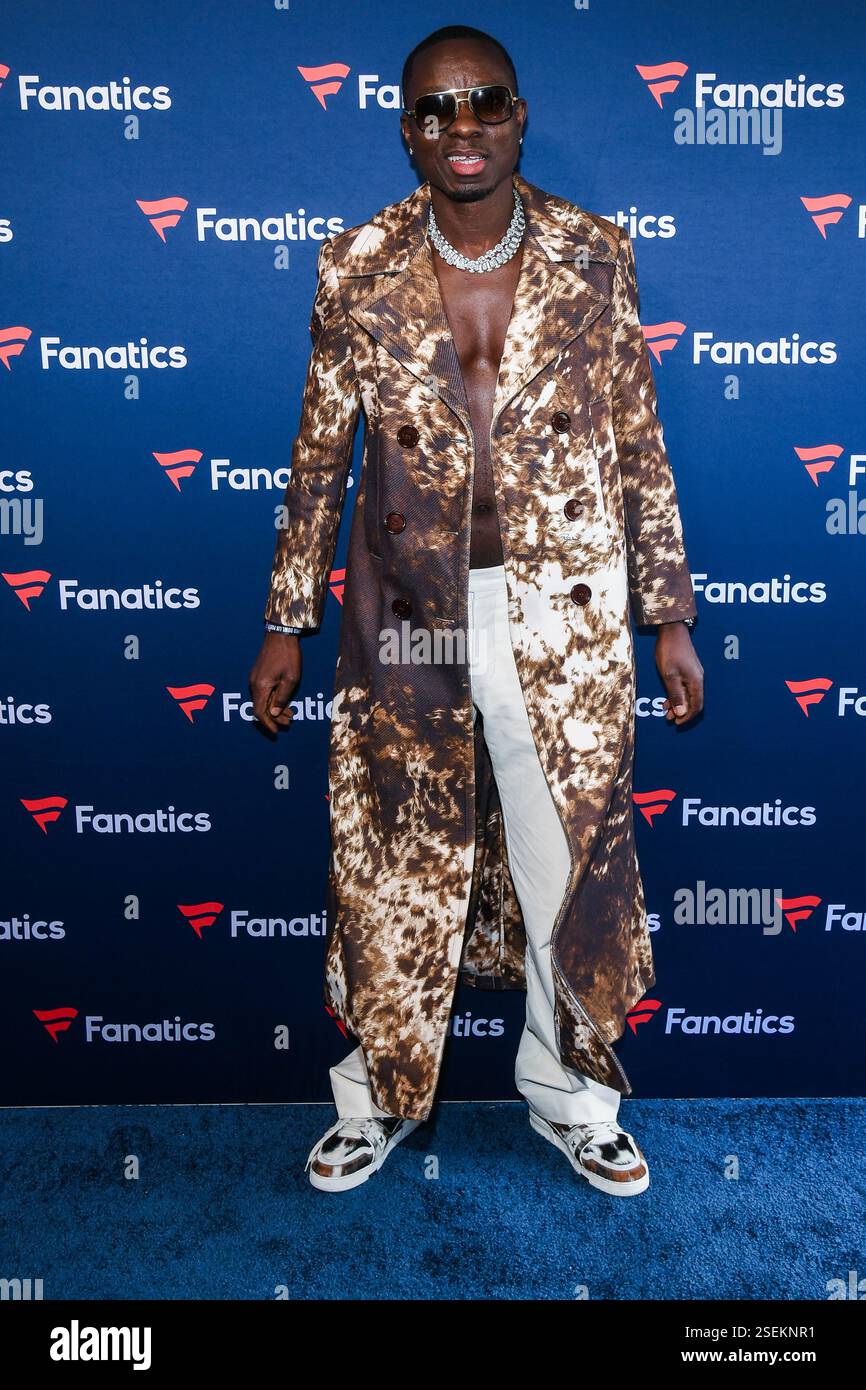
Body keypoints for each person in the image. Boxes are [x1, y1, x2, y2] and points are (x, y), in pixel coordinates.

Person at [249, 24, 703, 1196]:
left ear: (518, 115)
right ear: (405, 130)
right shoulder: (352, 263)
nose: (462, 129)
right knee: (392, 861)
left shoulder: (595, 257)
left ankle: (570, 1095)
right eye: (436, 111)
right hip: (410, 613)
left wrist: (667, 611)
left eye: (483, 104)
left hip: (565, 613)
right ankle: (378, 1096)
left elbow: (639, 443)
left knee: (569, 866)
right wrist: (282, 618)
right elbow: (317, 455)